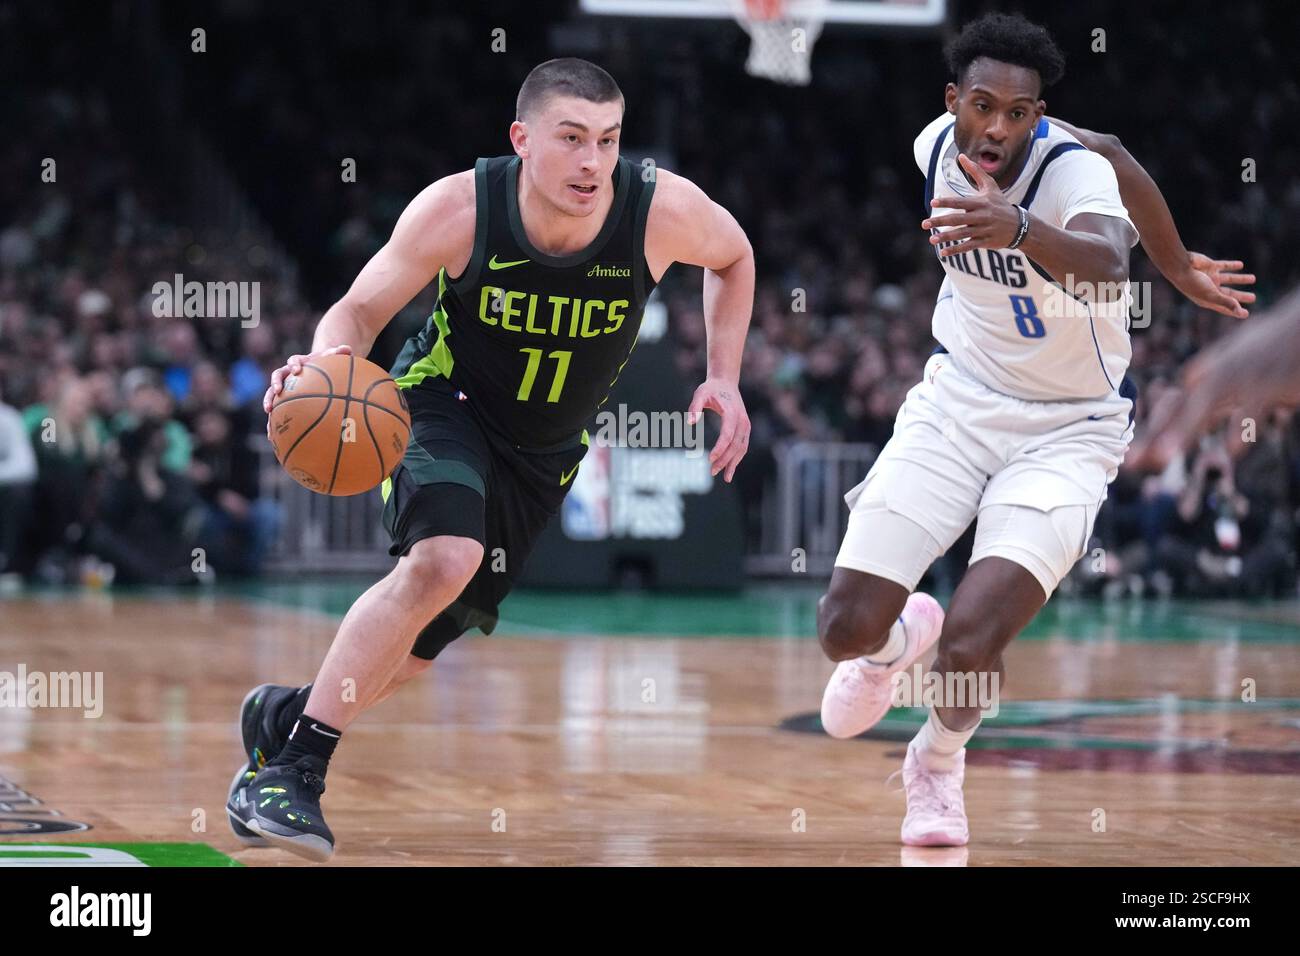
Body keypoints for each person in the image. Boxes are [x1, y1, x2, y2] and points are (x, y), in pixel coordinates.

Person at [227, 58, 755, 860]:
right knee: (444, 558)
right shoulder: (461, 207)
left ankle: (289, 715)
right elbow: (361, 307)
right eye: (572, 139)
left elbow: (736, 256)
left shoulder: (659, 211)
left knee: (420, 648)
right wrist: (323, 364)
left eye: (608, 141)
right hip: (442, 404)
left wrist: (724, 375)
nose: (592, 162)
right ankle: (292, 774)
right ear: (523, 139)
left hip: (543, 455)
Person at [814, 13, 1253, 847]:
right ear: (954, 102)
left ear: (1039, 116)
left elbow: (1105, 253)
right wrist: (1181, 258)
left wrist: (1167, 263)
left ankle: (936, 766)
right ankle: (896, 641)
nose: (999, 129)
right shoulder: (932, 146)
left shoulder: (1068, 173)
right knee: (843, 627)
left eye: (1020, 114)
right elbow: (1123, 144)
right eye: (983, 107)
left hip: (1069, 429)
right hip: (958, 401)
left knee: (977, 639)